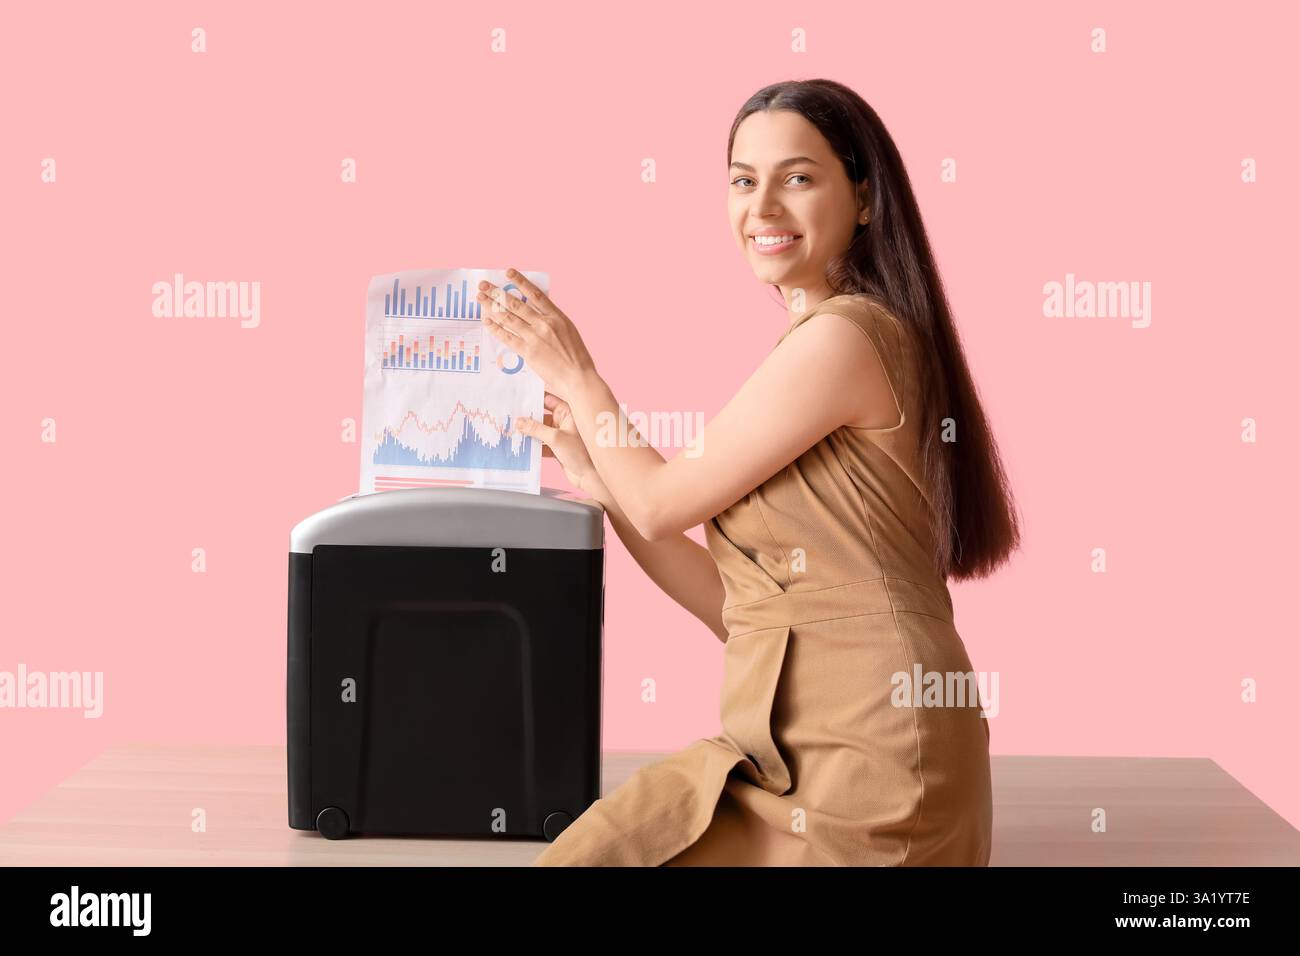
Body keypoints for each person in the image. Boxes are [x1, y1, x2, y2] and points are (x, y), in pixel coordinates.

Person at [475, 78, 1021, 866]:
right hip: (787, 748)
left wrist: (580, 373)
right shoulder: (825, 345)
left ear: (864, 200)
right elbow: (740, 612)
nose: (762, 208)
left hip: (871, 751)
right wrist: (603, 486)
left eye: (797, 178)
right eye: (742, 180)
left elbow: (664, 502)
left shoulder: (848, 339)